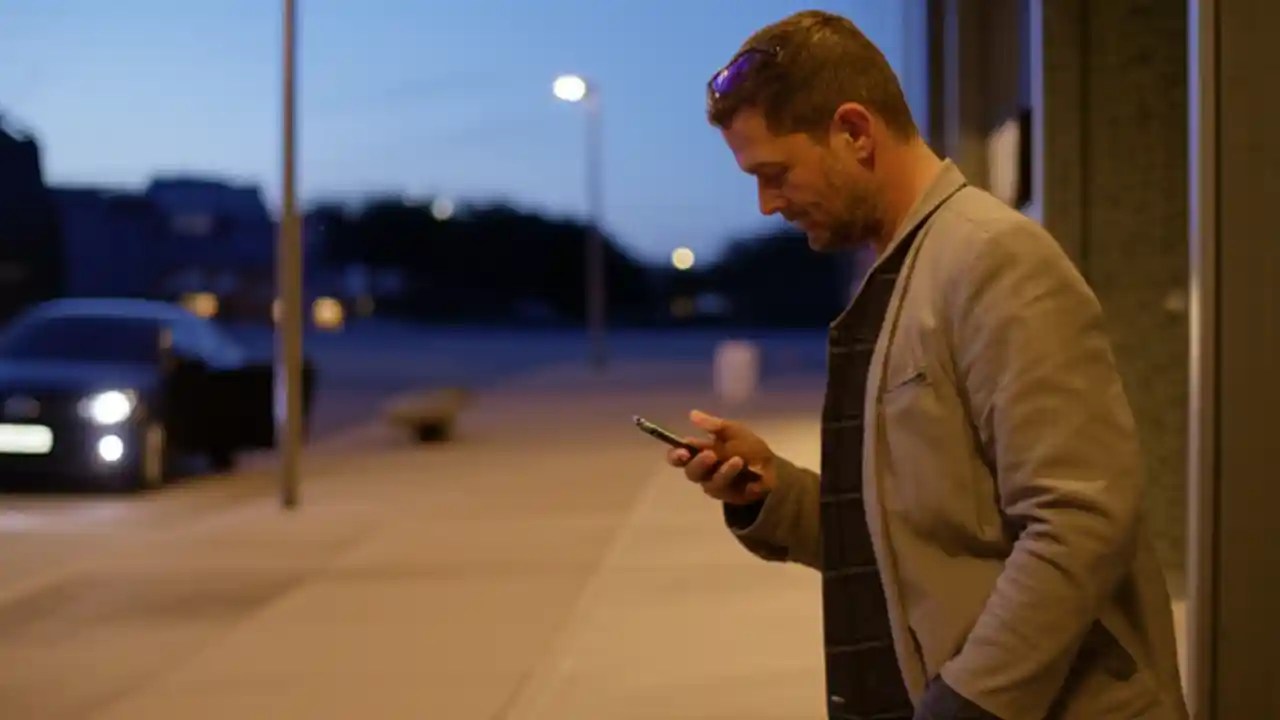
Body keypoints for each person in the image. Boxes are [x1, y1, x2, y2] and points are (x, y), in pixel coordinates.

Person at [666, 10, 1188, 720]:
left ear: (854, 131)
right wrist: (770, 494)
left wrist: (970, 702)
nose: (767, 204)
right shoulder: (900, 272)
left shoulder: (992, 259)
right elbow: (918, 536)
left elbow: (1081, 517)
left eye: (776, 172)